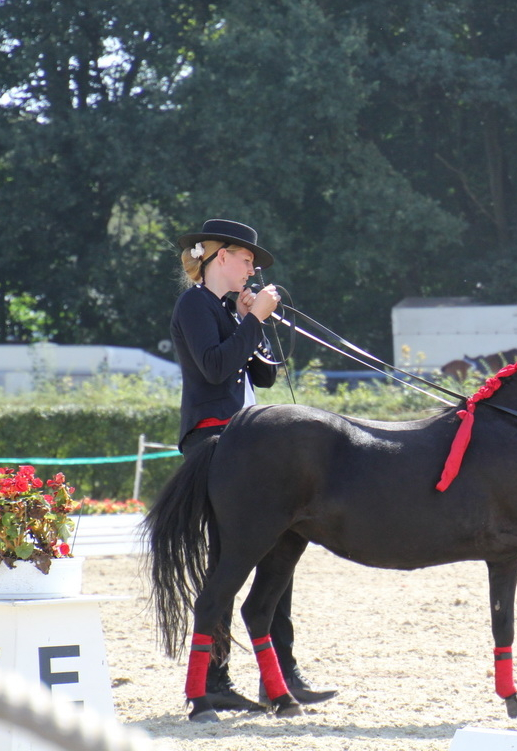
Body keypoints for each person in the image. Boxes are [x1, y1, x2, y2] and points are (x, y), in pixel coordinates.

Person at [171, 218, 336, 710]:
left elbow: (263, 376)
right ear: (221, 257)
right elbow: (216, 367)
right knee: (229, 561)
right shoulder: (193, 304)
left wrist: (250, 319)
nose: (251, 271)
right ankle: (216, 680)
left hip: (247, 443)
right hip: (214, 441)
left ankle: (279, 674)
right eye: (247, 261)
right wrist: (253, 320)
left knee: (280, 550)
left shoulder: (224, 307)